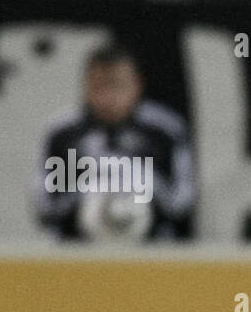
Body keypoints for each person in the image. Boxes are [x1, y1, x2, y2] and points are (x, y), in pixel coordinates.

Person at [34, 44, 195, 242]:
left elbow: (183, 204)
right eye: (98, 86)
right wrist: (89, 186)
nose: (108, 97)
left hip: (151, 254)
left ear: (137, 84)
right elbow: (44, 207)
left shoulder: (164, 130)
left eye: (117, 86)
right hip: (76, 254)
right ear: (86, 85)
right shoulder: (61, 132)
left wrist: (141, 181)